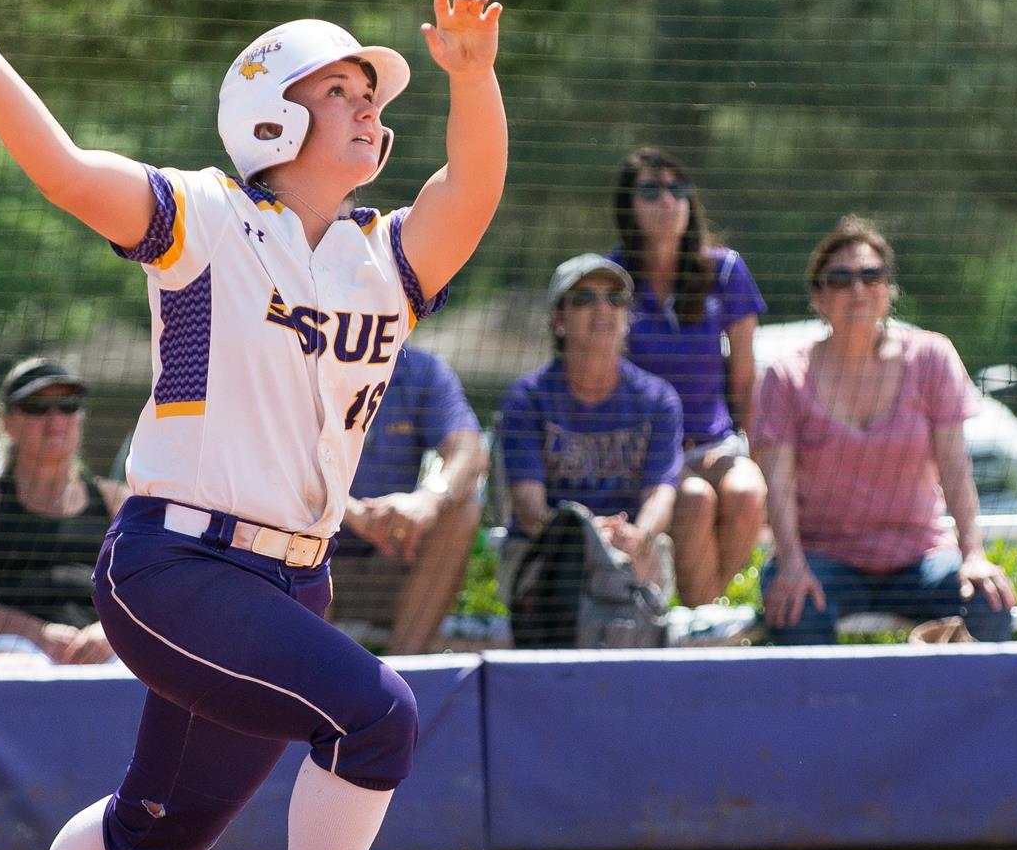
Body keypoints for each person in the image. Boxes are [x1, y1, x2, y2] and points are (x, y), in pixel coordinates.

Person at [0, 0, 505, 850]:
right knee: (377, 715)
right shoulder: (208, 219)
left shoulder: (384, 256)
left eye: (371, 93)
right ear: (270, 113)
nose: (366, 108)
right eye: (340, 90)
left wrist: (472, 75)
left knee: (156, 825)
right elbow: (66, 173)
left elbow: (474, 186)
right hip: (173, 566)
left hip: (287, 578)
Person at [753, 217, 1015, 644]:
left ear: (889, 290)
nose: (857, 289)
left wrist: (973, 555)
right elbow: (777, 486)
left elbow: (954, 466)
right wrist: (792, 563)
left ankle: (954, 713)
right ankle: (832, 713)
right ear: (818, 297)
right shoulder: (786, 377)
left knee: (988, 599)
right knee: (795, 606)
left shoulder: (931, 357)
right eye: (839, 279)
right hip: (823, 559)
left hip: (921, 560)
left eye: (871, 275)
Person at [611, 147, 767, 606]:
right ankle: (706, 624)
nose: (668, 201)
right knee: (696, 499)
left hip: (718, 446)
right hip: (651, 456)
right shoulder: (611, 280)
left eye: (678, 189)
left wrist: (756, 453)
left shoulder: (726, 271)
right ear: (629, 205)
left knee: (748, 490)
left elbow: (744, 380)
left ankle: (699, 626)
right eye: (652, 190)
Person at [498, 254, 682, 641]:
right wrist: (586, 537)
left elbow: (662, 493)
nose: (603, 308)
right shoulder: (527, 398)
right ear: (558, 320)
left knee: (653, 543)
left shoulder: (659, 399)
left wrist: (638, 534)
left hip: (629, 546)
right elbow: (530, 511)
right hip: (549, 553)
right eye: (584, 299)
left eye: (615, 298)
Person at [0, 358, 127, 669]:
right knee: (12, 674)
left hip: (106, 645)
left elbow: (151, 594)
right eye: (37, 406)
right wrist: (39, 635)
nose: (55, 418)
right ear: (7, 422)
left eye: (68, 404)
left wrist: (109, 632)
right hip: (9, 646)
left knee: (156, 681)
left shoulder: (116, 501)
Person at [327, 343, 485, 654]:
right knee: (296, 511)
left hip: (394, 554)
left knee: (463, 507)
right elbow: (275, 463)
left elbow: (471, 449)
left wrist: (429, 499)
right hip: (307, 556)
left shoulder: (423, 369)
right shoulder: (303, 356)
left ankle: (405, 678)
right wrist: (346, 510)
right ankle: (310, 677)